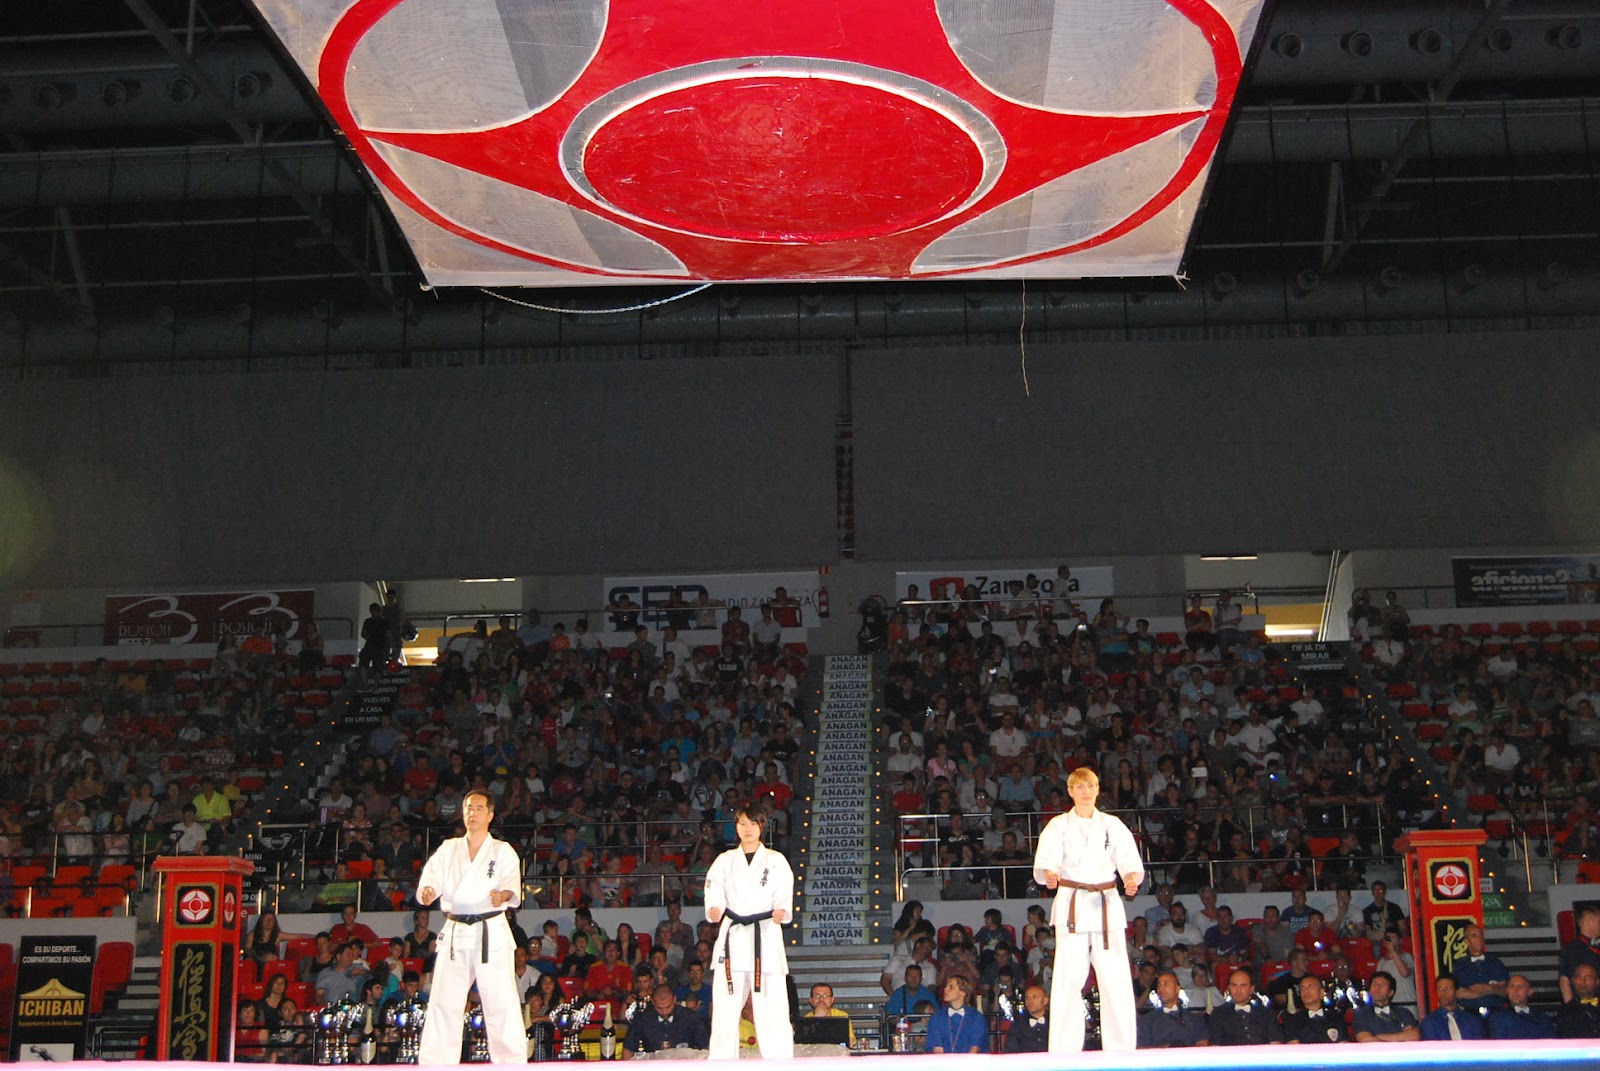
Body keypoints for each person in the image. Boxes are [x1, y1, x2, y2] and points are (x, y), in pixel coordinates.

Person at [1032, 766, 1145, 1053]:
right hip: (1073, 904)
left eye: (1090, 786)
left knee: (1116, 979)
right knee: (1067, 980)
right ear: (1070, 791)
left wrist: (1132, 878)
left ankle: (1121, 1049)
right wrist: (1048, 874)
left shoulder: (1112, 824)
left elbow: (1130, 862)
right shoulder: (1058, 825)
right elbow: (1045, 862)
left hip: (1106, 903)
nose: (1085, 792)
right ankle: (1064, 1050)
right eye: (1079, 787)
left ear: (1098, 789)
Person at [414, 789, 525, 1065]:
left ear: (490, 815)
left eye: (478, 808)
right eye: (468, 808)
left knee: (501, 1002)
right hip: (456, 930)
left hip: (491, 931)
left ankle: (510, 1063)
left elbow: (513, 886)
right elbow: (431, 878)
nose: (471, 813)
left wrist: (504, 895)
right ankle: (436, 1062)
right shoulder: (449, 848)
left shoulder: (502, 850)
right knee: (444, 1001)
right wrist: (427, 891)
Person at [705, 801, 793, 1060]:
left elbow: (785, 890)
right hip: (732, 936)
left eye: (752, 823)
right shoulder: (725, 860)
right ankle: (721, 1061)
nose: (747, 828)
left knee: (772, 1007)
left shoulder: (775, 860)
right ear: (736, 828)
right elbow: (713, 887)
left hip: (764, 934)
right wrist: (715, 907)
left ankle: (779, 1061)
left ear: (762, 827)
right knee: (724, 1008)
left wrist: (782, 909)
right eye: (742, 823)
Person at [622, 984, 710, 1057]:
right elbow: (628, 1050)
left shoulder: (690, 1018)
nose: (664, 1012)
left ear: (675, 1000)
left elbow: (706, 1047)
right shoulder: (642, 1019)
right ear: (652, 1002)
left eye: (668, 1007)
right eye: (659, 1008)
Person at [1207, 969, 1282, 1046]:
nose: (1238, 990)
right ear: (1228, 988)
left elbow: (1275, 1043)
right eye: (1234, 985)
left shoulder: (1267, 1013)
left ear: (1252, 989)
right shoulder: (1218, 1014)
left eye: (1243, 985)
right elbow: (1215, 1046)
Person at [1135, 970, 1209, 1048]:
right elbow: (1142, 1049)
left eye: (1166, 984)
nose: (1161, 989)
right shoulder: (1147, 1020)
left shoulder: (1194, 1019)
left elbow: (1202, 1044)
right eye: (1159, 985)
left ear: (1177, 989)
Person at [1452, 923, 1509, 1014]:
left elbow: (1505, 990)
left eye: (1481, 935)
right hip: (1470, 1014)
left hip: (1496, 1012)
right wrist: (1491, 989)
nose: (1479, 939)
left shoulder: (1495, 962)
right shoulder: (1460, 965)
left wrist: (1484, 988)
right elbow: (1459, 993)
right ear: (1467, 941)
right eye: (1474, 936)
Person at [1351, 971, 1419, 1042]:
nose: (1377, 988)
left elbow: (1414, 1036)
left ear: (1391, 993)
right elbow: (1365, 1039)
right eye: (1374, 984)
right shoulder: (1361, 1013)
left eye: (1383, 985)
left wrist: (1379, 1037)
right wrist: (1401, 1036)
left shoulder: (1403, 1012)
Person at [926, 976, 988, 1053]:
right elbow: (938, 1050)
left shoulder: (976, 1017)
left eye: (951, 987)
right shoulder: (936, 1018)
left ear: (963, 992)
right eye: (946, 986)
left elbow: (974, 1050)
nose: (945, 989)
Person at [1488, 974, 1556, 1039]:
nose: (1515, 990)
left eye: (1520, 986)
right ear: (1507, 991)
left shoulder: (1541, 1017)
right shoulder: (1498, 1016)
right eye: (1512, 986)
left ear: (1529, 992)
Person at [1420, 974, 1486, 1041]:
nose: (1443, 992)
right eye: (1440, 989)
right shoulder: (1430, 1022)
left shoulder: (1472, 1020)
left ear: (1456, 991)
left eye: (1448, 988)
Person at [1282, 975, 1345, 1043]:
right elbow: (1294, 1047)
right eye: (1302, 988)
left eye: (1311, 986)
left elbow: (1344, 1043)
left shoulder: (1335, 1017)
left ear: (1321, 992)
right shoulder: (1292, 1020)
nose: (1305, 991)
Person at [1558, 905, 1600, 1002]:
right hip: (1582, 1004)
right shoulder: (1571, 950)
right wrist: (1571, 1009)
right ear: (1590, 922)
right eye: (1599, 922)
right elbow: (1565, 980)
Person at [1000, 984, 1050, 1053]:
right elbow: (1010, 1052)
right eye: (1027, 998)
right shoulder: (1017, 1025)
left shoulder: (1054, 1023)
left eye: (1034, 997)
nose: (1030, 1001)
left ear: (1045, 1001)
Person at [803, 982, 855, 1047]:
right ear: (811, 1000)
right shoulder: (805, 1020)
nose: (821, 999)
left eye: (826, 995)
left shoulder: (841, 1016)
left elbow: (850, 1043)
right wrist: (816, 1019)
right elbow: (805, 1046)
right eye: (817, 995)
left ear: (832, 999)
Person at [1556, 962, 1600, 1038]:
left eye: (1588, 977)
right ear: (1572, 981)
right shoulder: (1565, 1012)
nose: (1583, 981)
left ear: (1597, 982)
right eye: (1579, 977)